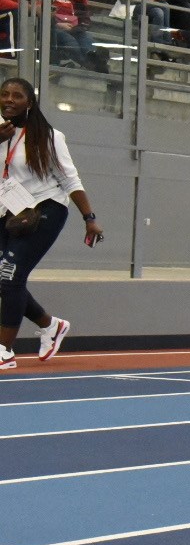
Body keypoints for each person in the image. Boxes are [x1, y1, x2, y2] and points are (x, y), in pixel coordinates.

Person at [0, 77, 104, 369]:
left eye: (17, 96)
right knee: (4, 280)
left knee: (10, 276)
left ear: (29, 103)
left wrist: (89, 218)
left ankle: (4, 350)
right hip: (8, 212)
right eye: (4, 94)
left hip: (45, 209)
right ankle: (51, 326)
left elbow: (70, 179)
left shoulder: (48, 136)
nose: (9, 99)